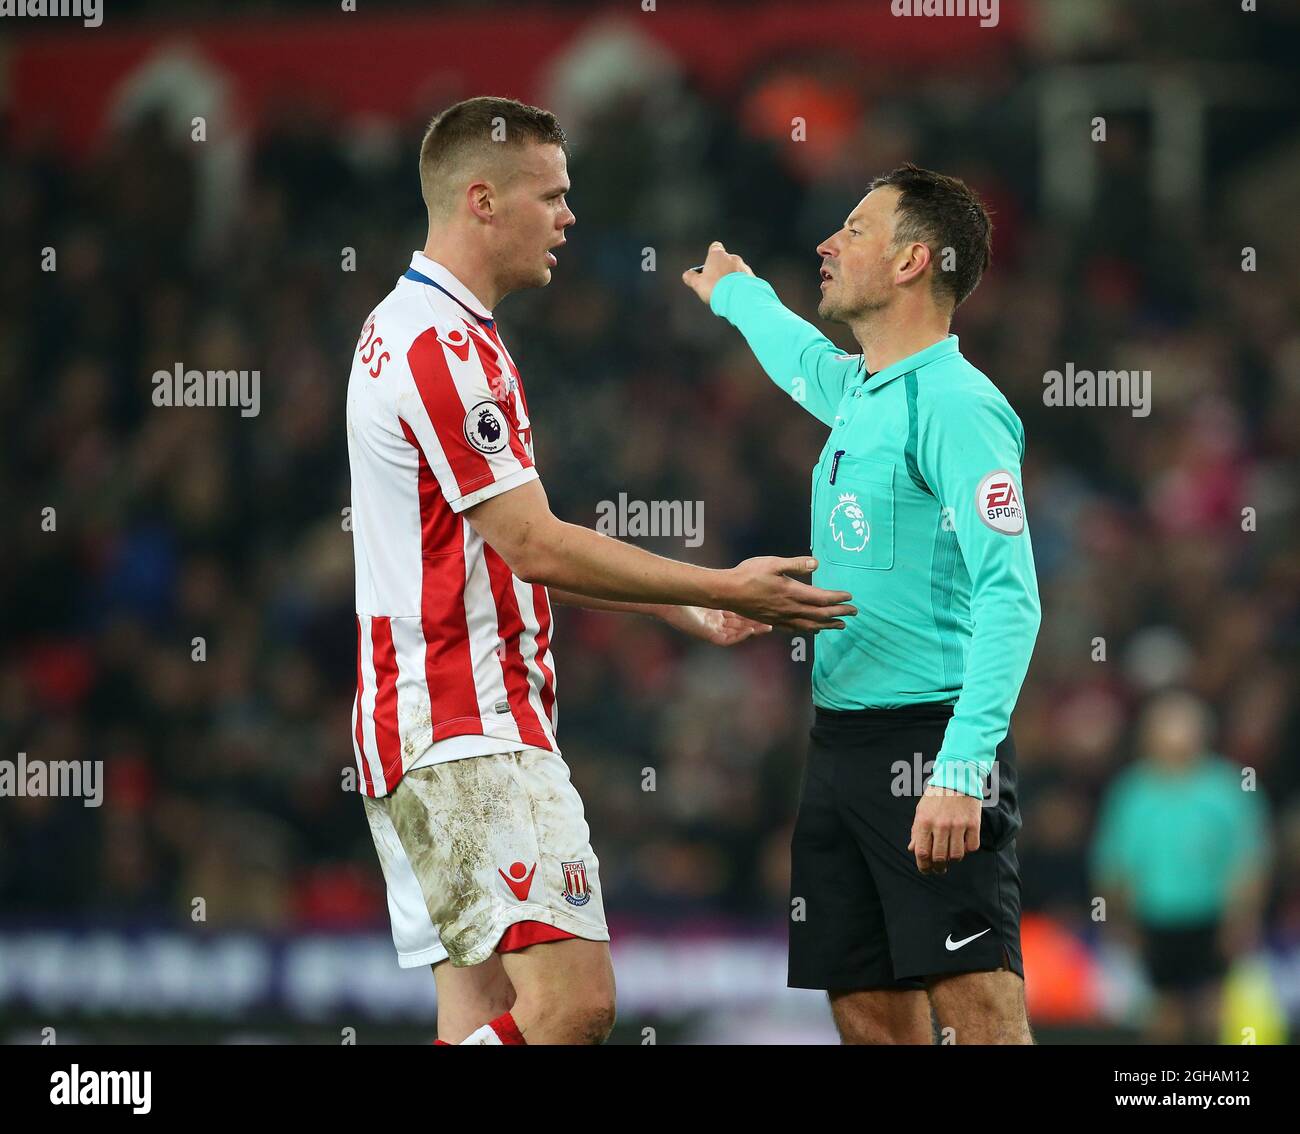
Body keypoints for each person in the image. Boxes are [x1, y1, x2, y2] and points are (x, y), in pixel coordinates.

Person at [346, 96, 856, 1045]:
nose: (570, 217)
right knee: (574, 1006)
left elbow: (502, 551)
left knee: (485, 1022)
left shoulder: (419, 327)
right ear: (483, 200)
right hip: (467, 727)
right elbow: (534, 544)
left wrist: (682, 614)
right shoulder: (440, 346)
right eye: (553, 195)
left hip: (427, 722)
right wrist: (721, 587)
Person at [683, 164, 1041, 1044]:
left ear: (915, 260)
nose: (827, 243)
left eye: (852, 228)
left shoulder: (957, 407)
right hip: (837, 746)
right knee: (869, 1020)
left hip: (932, 742)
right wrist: (738, 294)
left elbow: (1012, 597)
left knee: (981, 1015)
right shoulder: (864, 390)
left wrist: (961, 769)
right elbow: (800, 359)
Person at [1092, 690, 1269, 1043]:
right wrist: (1120, 921)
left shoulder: (1227, 789)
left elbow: (1248, 859)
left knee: (1213, 1010)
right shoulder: (1132, 792)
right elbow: (1114, 864)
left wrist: (1241, 919)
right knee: (1162, 1013)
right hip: (1155, 918)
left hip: (1211, 917)